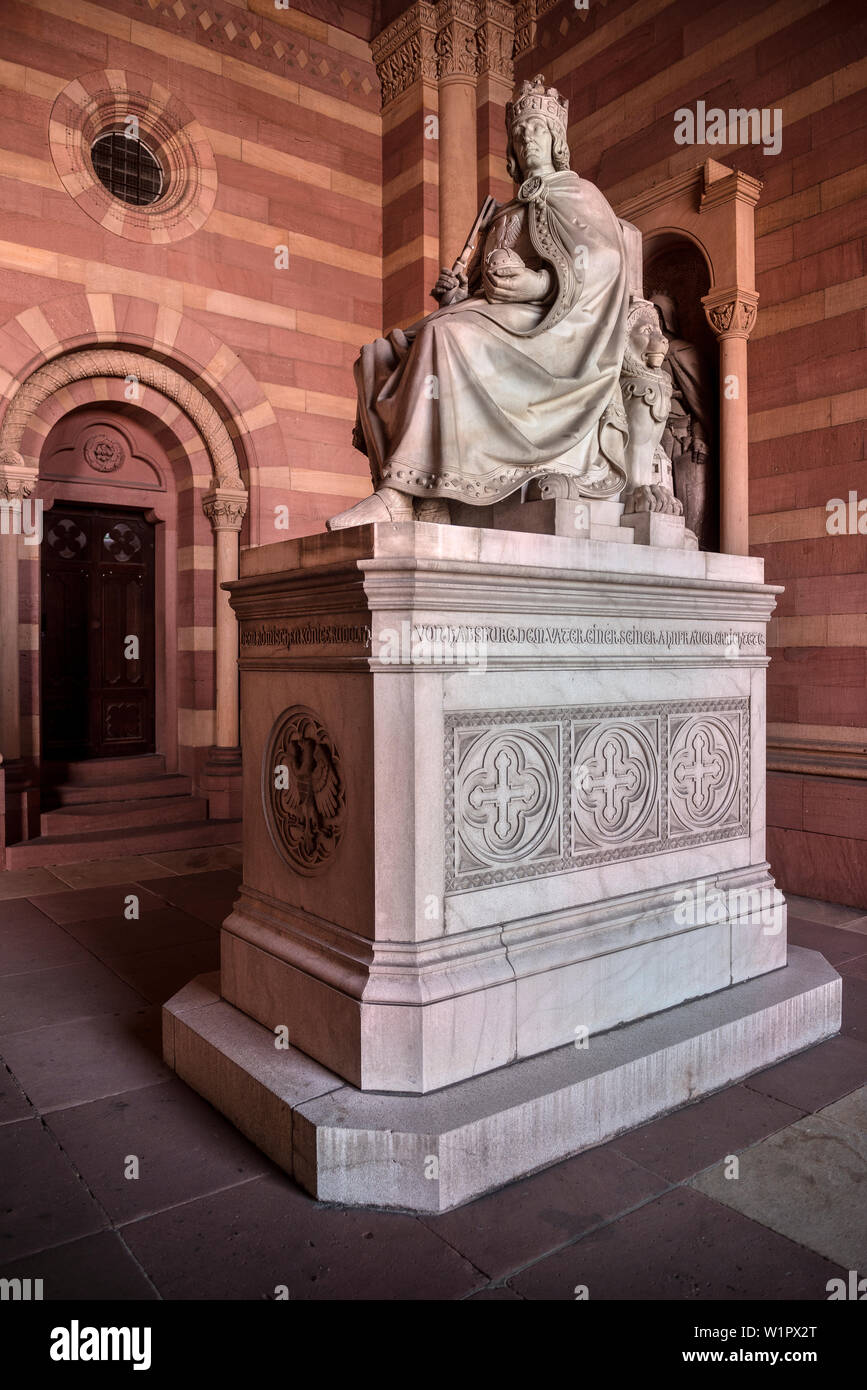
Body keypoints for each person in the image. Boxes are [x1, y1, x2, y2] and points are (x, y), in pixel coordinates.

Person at [327, 75, 630, 530]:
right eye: (521, 132)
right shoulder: (504, 214)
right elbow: (480, 287)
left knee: (441, 335)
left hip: (551, 326)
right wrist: (459, 292)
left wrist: (538, 283)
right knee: (381, 354)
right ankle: (430, 498)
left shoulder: (579, 194)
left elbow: (604, 263)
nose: (529, 140)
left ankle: (399, 494)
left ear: (557, 140)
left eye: (538, 131)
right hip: (491, 315)